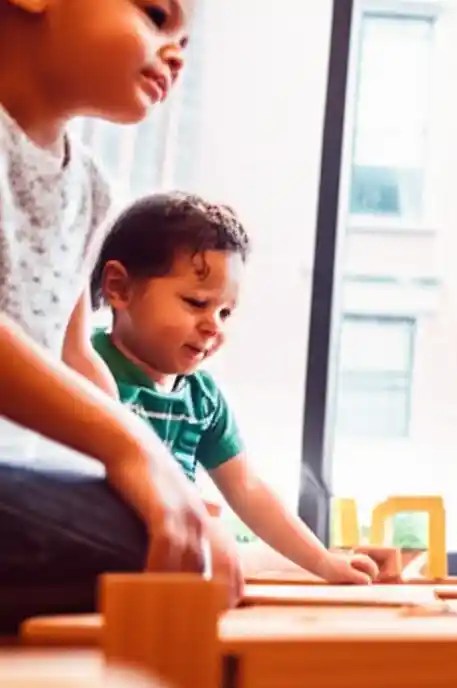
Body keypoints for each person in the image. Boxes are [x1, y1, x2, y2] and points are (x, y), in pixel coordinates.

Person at [0, 0, 241, 633]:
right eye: (156, 15)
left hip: (19, 480)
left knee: (184, 545)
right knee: (138, 548)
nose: (176, 52)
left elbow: (74, 356)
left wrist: (162, 486)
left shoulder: (91, 189)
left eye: (185, 38)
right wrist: (134, 453)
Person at [90, 191, 379, 585]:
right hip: (101, 541)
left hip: (173, 551)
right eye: (196, 302)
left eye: (225, 312)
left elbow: (247, 488)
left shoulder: (201, 397)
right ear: (119, 288)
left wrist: (325, 563)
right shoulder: (86, 366)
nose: (214, 325)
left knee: (245, 555)